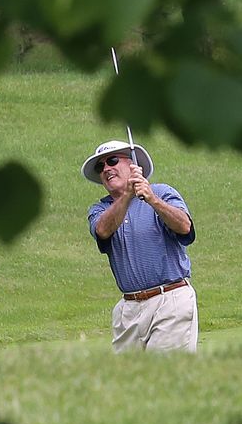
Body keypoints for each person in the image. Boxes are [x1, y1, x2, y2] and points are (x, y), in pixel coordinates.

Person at [82, 140, 198, 353]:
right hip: (129, 310)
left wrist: (152, 199)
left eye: (113, 161)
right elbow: (103, 231)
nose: (106, 168)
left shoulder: (162, 192)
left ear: (133, 164)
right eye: (101, 167)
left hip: (170, 299)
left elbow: (184, 226)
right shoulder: (99, 209)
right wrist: (127, 194)